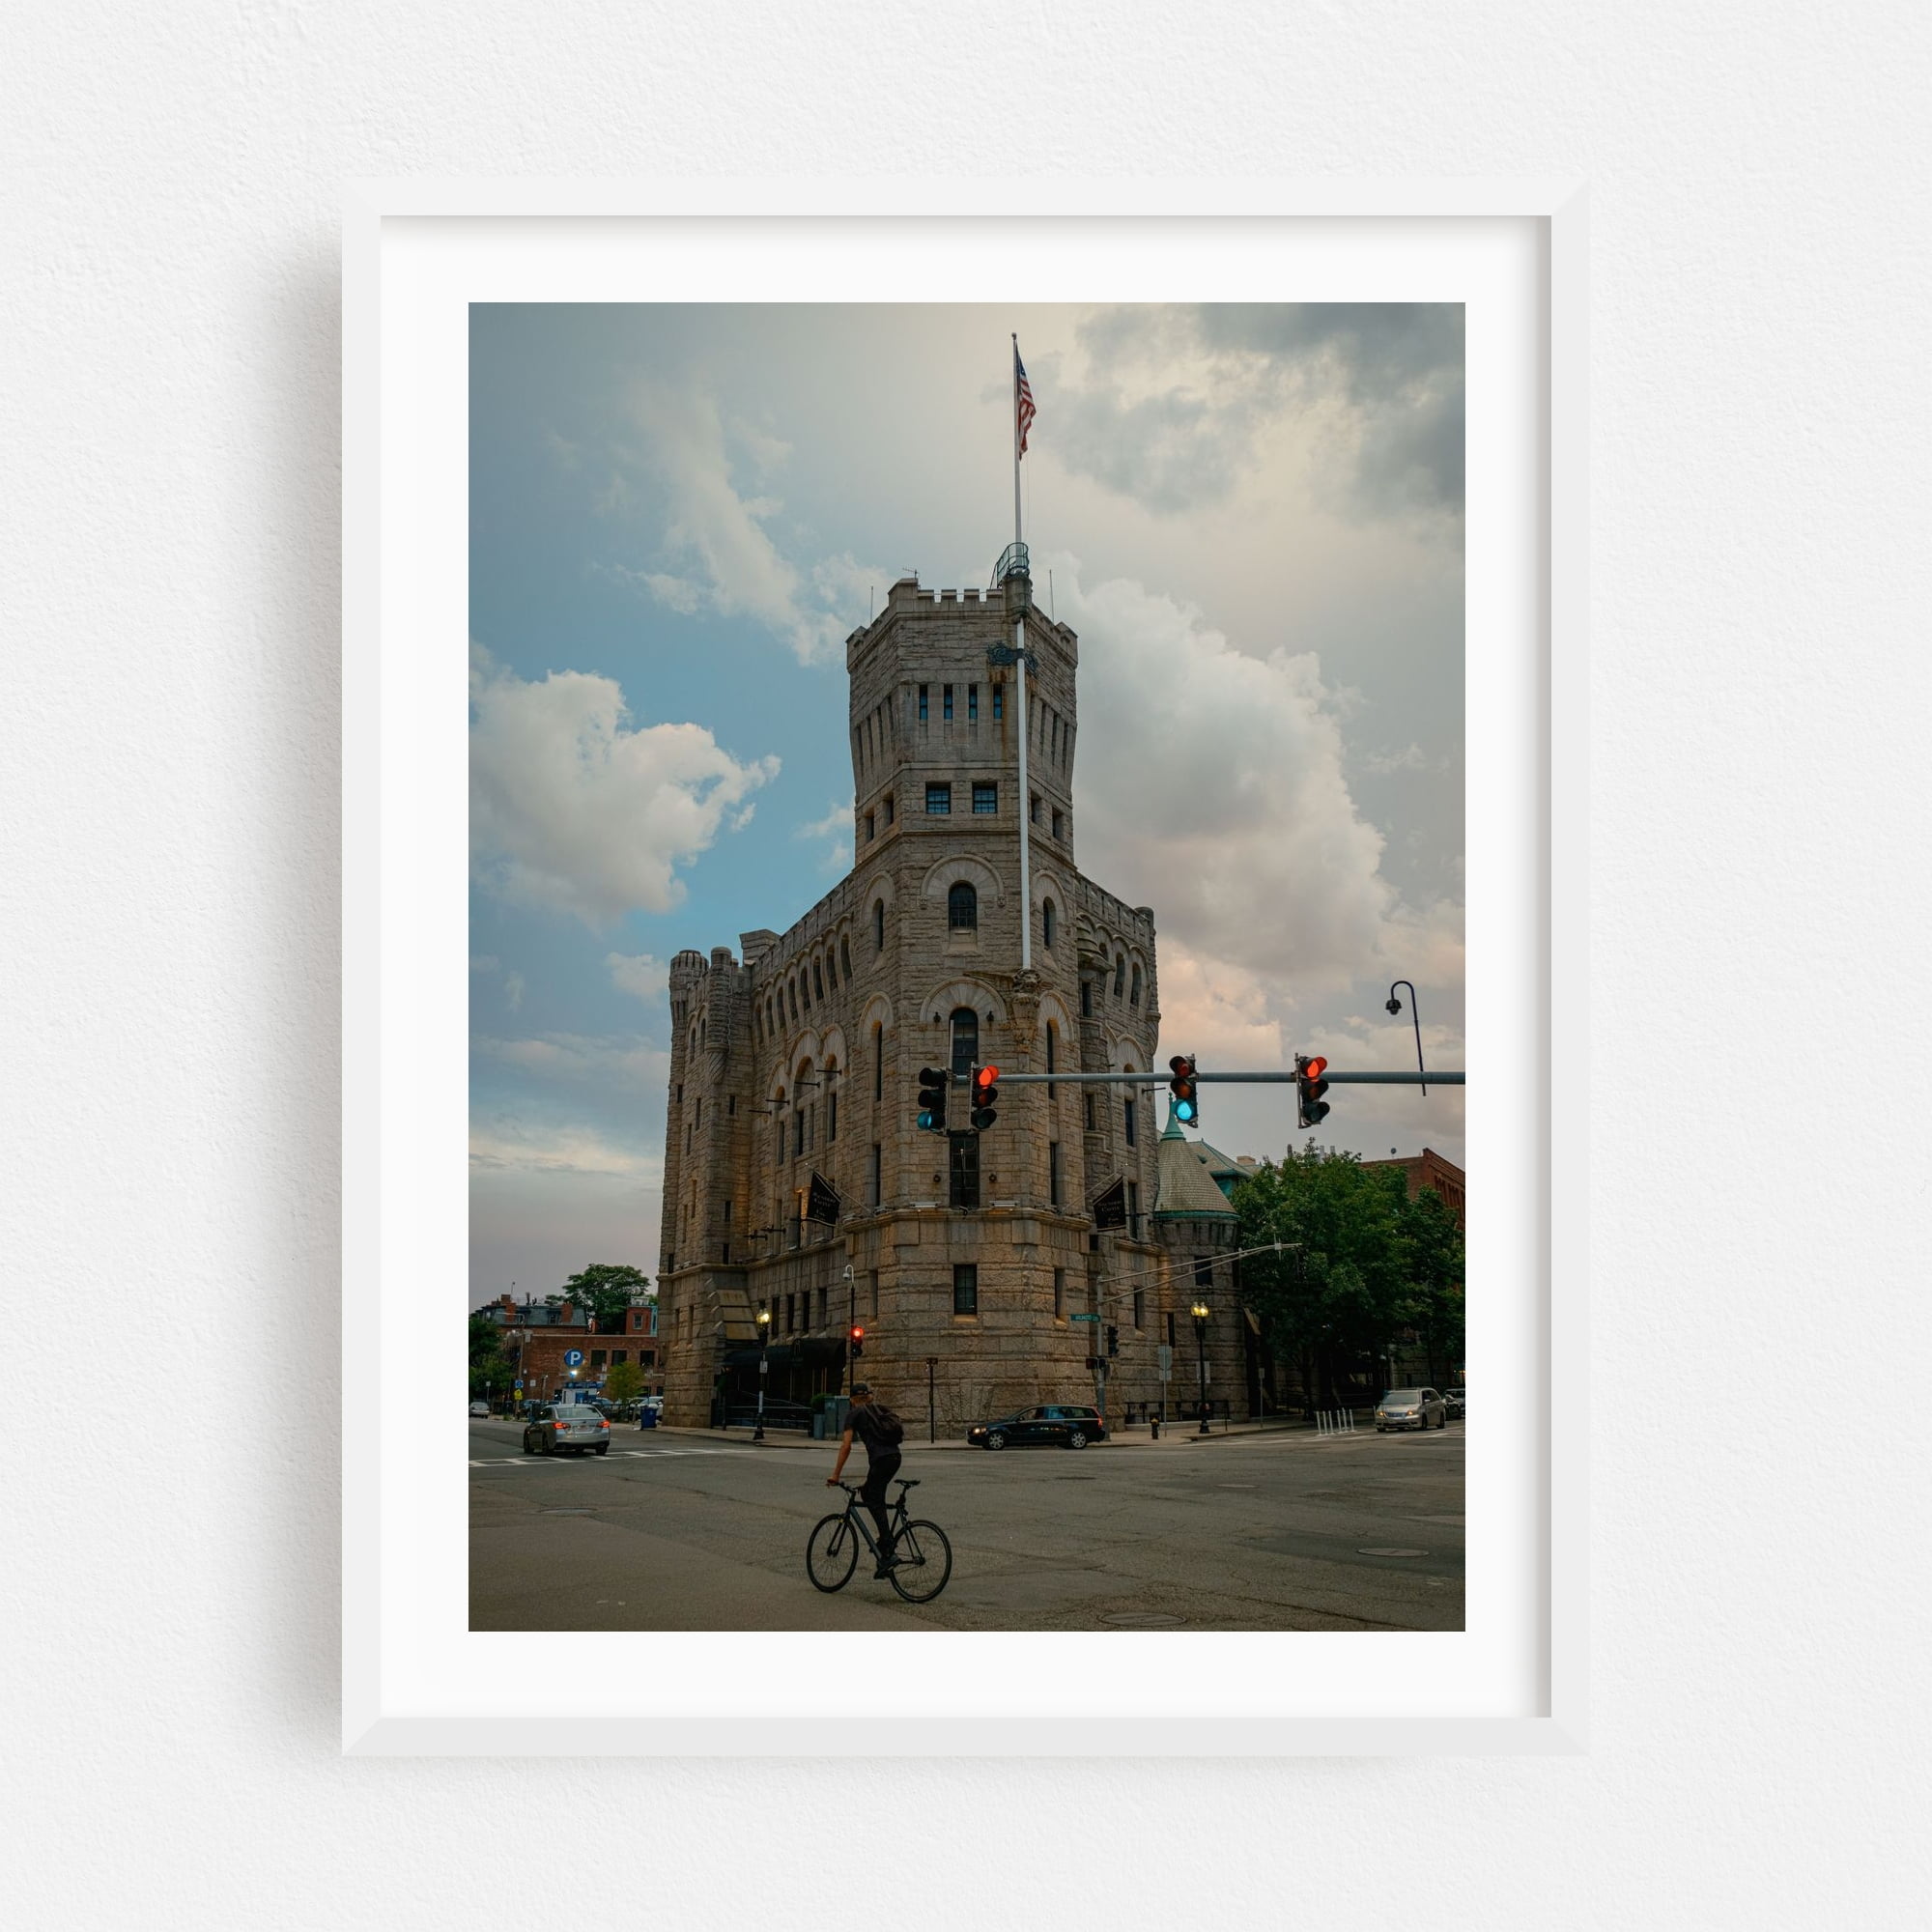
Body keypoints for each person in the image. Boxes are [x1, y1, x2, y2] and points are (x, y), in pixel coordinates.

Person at [828, 1383, 902, 1577]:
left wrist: (836, 1474)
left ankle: (887, 1549)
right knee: (869, 1491)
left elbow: (846, 1446)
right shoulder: (880, 1409)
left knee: (873, 1498)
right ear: (868, 1396)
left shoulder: (853, 1414)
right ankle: (884, 1545)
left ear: (851, 1399)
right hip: (895, 1457)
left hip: (881, 1460)